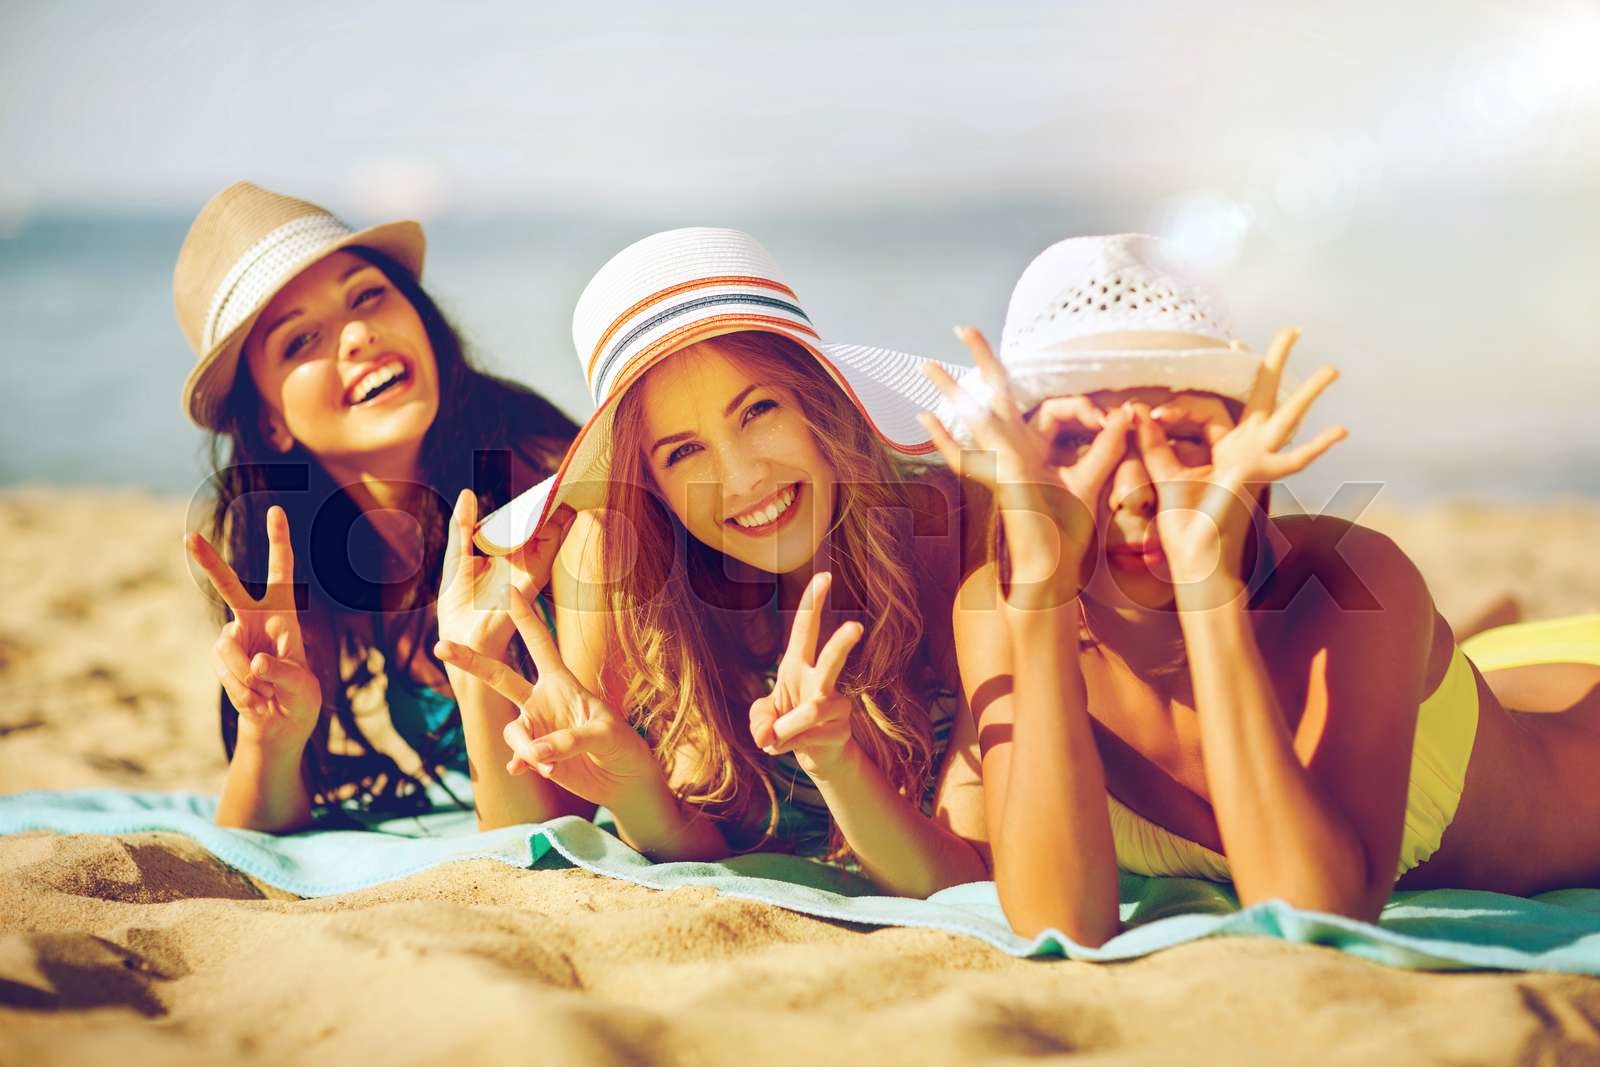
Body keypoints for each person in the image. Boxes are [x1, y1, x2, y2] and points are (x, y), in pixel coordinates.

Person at [923, 233, 1600, 944]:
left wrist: (1208, 595)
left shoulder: (1350, 580)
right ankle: (1481, 632)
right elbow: (1061, 923)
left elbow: (1313, 912)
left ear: (1245, 451)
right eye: (1071, 442)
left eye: (1179, 437)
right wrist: (1042, 600)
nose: (1130, 490)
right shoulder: (1003, 609)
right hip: (1478, 677)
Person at [440, 228, 989, 894]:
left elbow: (967, 878)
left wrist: (836, 761)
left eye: (757, 410)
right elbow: (541, 841)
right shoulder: (616, 555)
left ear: (819, 404)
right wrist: (473, 663)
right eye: (682, 452)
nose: (740, 478)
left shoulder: (945, 534)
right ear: (650, 484)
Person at [173, 182, 580, 832]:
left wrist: (478, 665)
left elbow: (560, 823)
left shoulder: (542, 485)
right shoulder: (305, 559)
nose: (358, 333)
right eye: (299, 340)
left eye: (367, 295)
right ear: (272, 422)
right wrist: (270, 734)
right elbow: (252, 830)